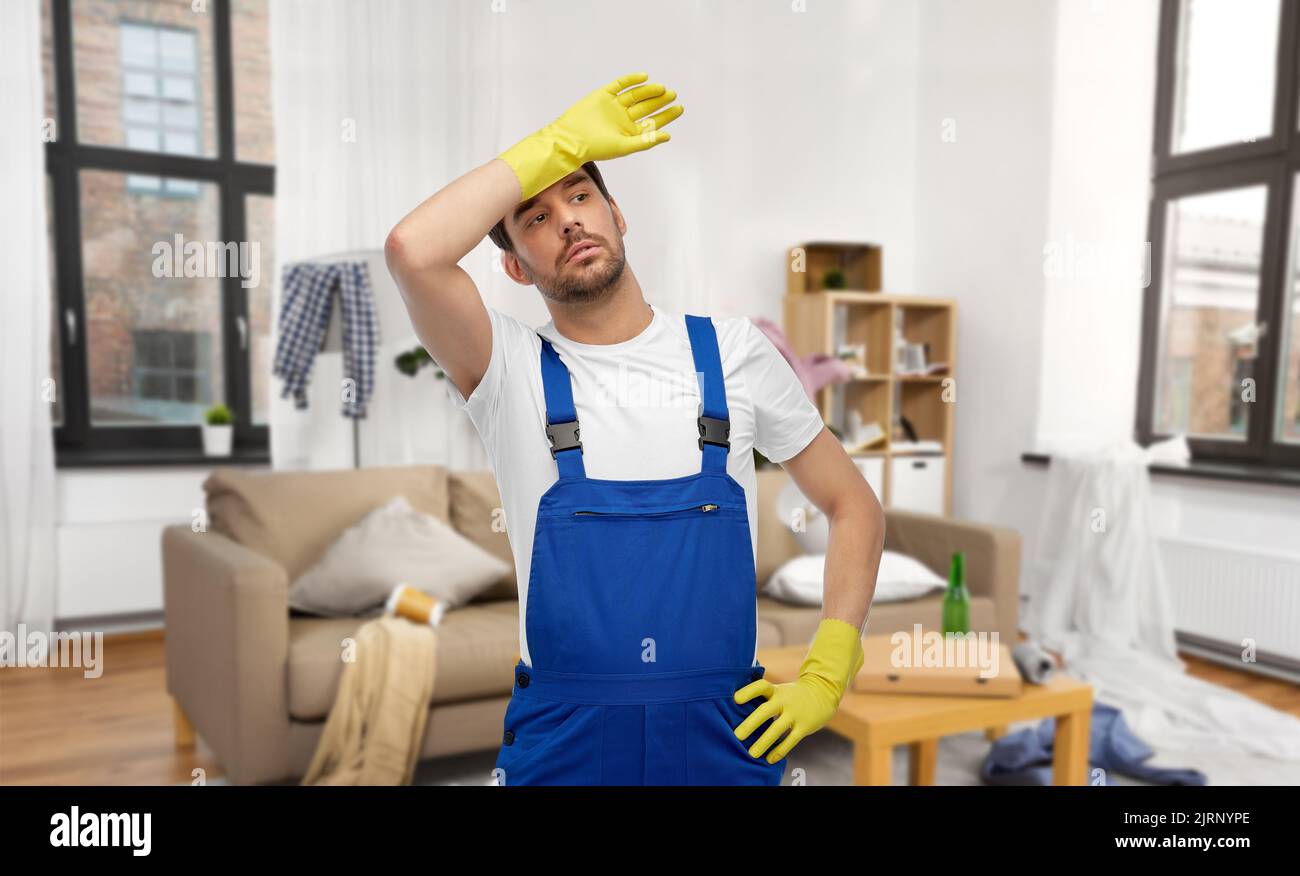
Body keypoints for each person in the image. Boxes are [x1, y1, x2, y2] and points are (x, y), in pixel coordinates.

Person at [385, 72, 883, 786]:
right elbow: (412, 249)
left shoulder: (733, 351)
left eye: (581, 196)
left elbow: (852, 504)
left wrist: (829, 671)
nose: (567, 222)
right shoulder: (507, 369)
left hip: (725, 728)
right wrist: (559, 142)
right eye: (535, 217)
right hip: (564, 738)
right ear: (515, 269)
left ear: (619, 216)